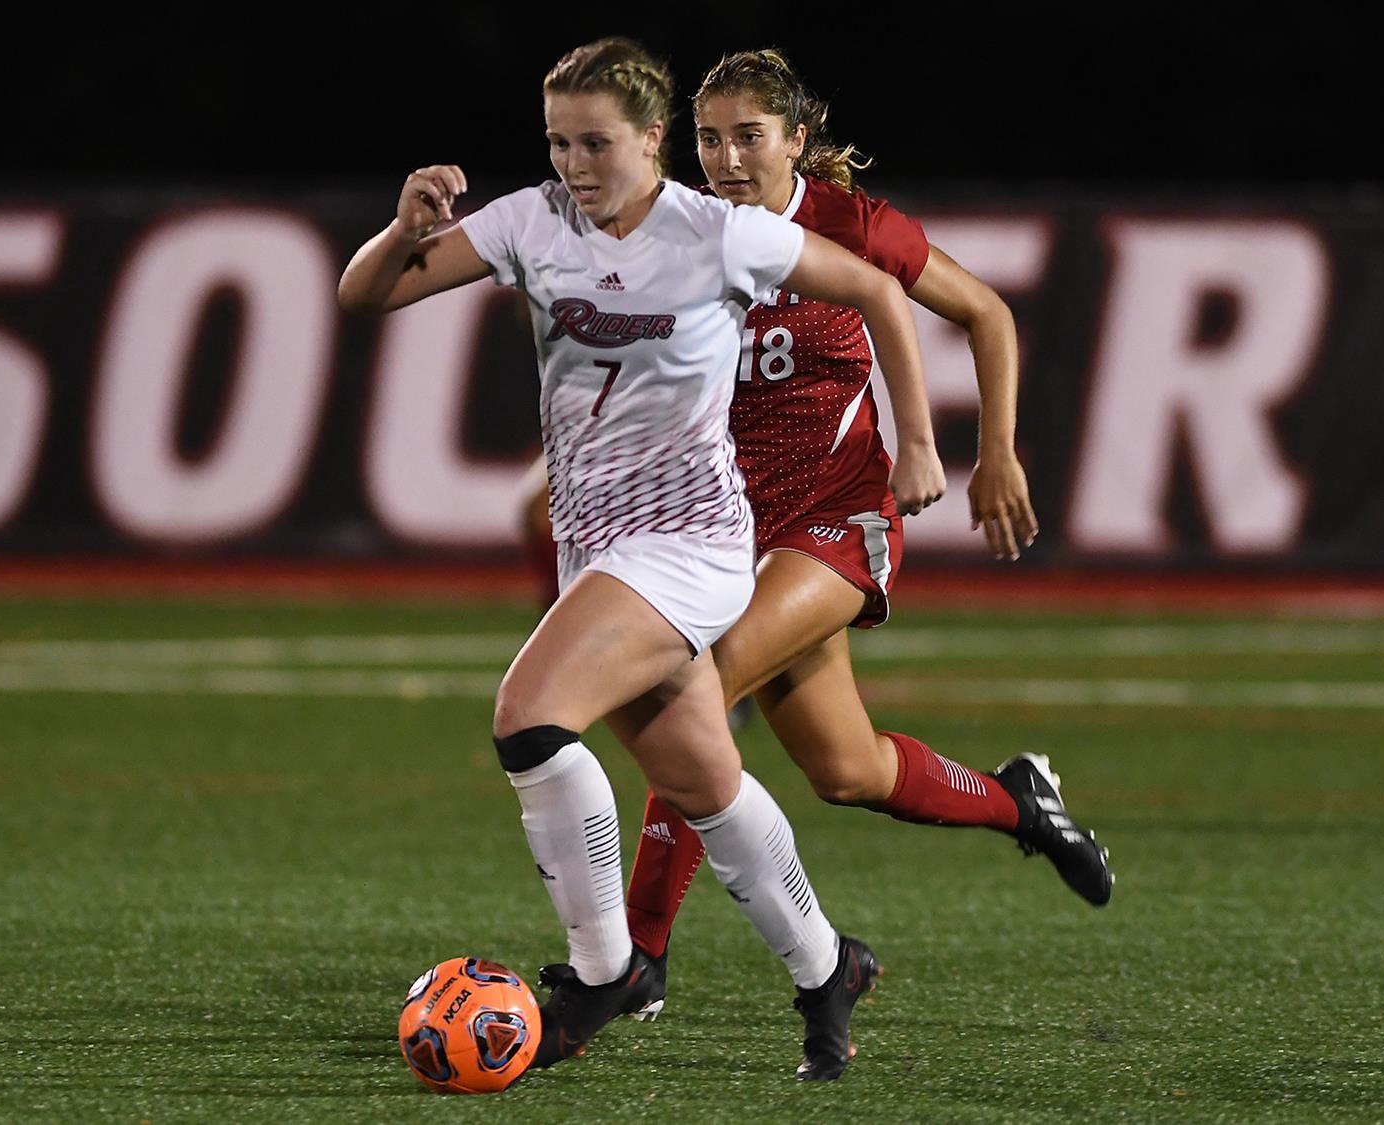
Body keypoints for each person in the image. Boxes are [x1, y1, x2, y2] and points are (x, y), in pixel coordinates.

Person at [338, 37, 945, 1081]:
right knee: (702, 777)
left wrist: (921, 443)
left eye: (596, 144)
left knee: (528, 718)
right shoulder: (531, 222)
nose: (573, 164)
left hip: (693, 543)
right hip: (595, 549)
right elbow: (365, 297)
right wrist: (403, 231)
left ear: (652, 137)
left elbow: (882, 294)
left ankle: (603, 969)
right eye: (557, 142)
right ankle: (826, 966)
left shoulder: (719, 233)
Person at [598, 49, 1115, 996]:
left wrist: (991, 451)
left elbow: (987, 314)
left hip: (838, 516)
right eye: (708, 138)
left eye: (749, 136)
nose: (726, 158)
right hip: (731, 533)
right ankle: (1022, 805)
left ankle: (639, 957)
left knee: (694, 692)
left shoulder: (850, 225)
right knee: (849, 771)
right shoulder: (679, 231)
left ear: (797, 139)